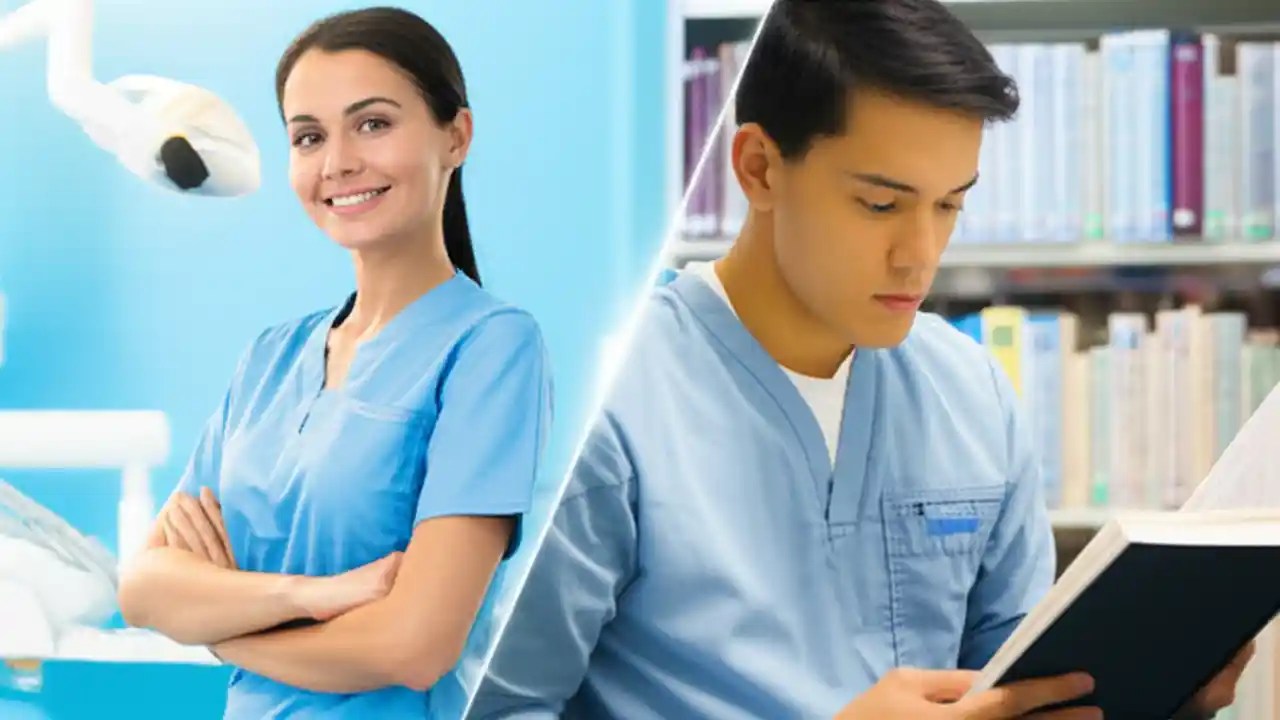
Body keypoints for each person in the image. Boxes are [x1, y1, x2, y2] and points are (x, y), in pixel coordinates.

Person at [469, 1, 1250, 719]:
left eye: (950, 204)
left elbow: (1022, 691)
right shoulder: (598, 407)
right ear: (758, 167)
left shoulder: (971, 392)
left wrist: (1153, 695)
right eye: (881, 204)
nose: (921, 254)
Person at [116, 7, 552, 719]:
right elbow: (142, 589)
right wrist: (310, 597)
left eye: (373, 123)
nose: (338, 162)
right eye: (309, 137)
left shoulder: (491, 348)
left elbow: (414, 647)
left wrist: (220, 629)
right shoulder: (270, 358)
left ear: (456, 136)